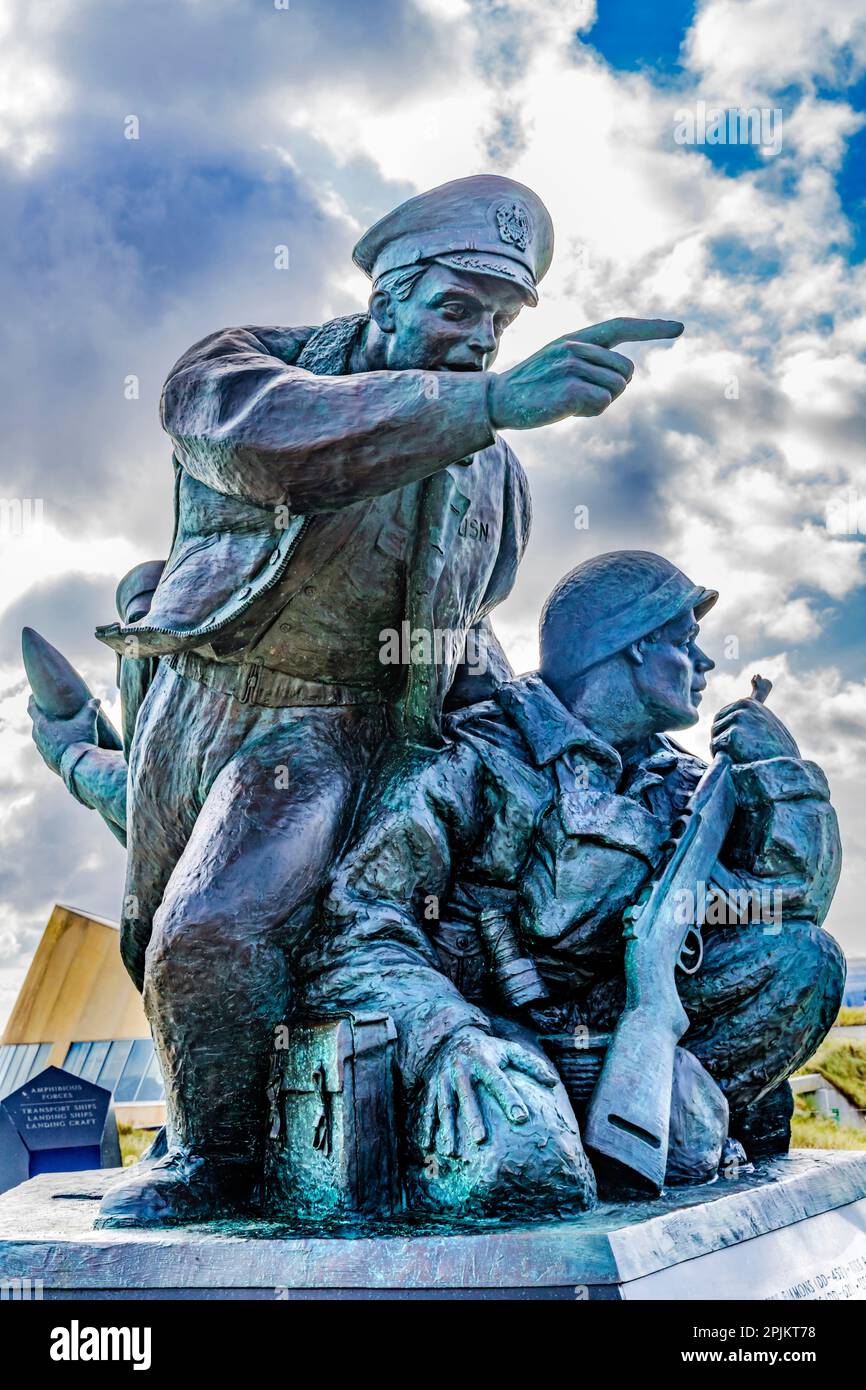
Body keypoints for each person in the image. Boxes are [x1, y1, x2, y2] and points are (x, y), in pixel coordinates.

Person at [29, 174, 683, 1226]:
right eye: (456, 308)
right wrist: (488, 405)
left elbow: (465, 632)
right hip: (195, 707)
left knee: (214, 931)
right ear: (386, 298)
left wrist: (532, 752)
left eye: (501, 321)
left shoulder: (493, 479)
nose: (480, 339)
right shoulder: (241, 370)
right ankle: (226, 1132)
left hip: (327, 730)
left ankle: (215, 1163)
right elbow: (273, 447)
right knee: (155, 934)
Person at [300, 552, 844, 1214]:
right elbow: (359, 925)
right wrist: (445, 1033)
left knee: (804, 963)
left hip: (612, 1028)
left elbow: (785, 904)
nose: (704, 667)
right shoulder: (477, 756)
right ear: (631, 649)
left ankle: (637, 1118)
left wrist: (779, 773)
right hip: (487, 1033)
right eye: (684, 643)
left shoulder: (678, 781)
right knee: (525, 1171)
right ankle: (603, 1123)